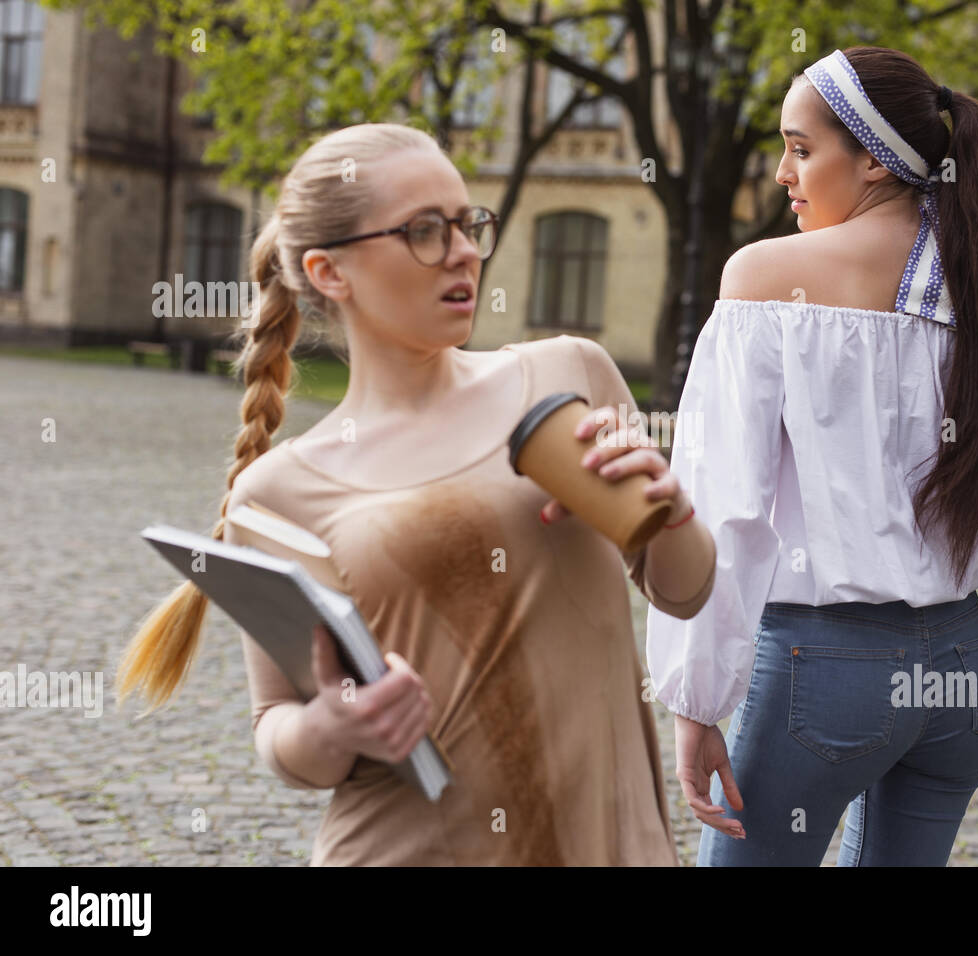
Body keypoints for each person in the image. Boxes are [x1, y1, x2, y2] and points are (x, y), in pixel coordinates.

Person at [115, 122, 717, 865]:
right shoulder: (276, 490)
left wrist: (671, 509)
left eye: (468, 224)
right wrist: (335, 729)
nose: (463, 250)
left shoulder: (569, 377)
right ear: (329, 272)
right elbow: (279, 726)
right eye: (424, 231)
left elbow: (685, 592)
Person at [645, 45, 978, 867]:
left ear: (878, 160)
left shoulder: (763, 281)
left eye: (802, 148)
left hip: (822, 672)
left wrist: (694, 700)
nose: (784, 171)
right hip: (957, 673)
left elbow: (724, 512)